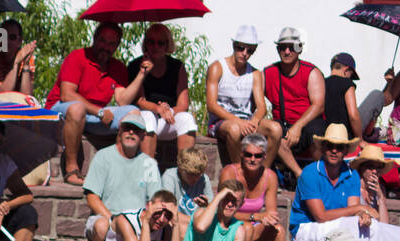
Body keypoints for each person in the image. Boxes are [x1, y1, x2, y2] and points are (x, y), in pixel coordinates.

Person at [47, 22, 146, 186]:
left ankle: (124, 170)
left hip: (92, 116)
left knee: (133, 113)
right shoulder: (78, 56)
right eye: (102, 41)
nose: (106, 47)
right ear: (94, 39)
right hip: (61, 111)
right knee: (77, 108)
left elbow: (122, 101)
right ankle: (72, 170)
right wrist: (99, 112)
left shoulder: (118, 67)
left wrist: (142, 74)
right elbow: (67, 95)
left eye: (111, 43)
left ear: (117, 46)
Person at [82, 112, 160, 241]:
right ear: (120, 132)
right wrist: (113, 219)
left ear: (143, 135)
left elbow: (156, 200)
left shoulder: (149, 164)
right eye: (127, 128)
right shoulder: (103, 157)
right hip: (108, 217)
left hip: (138, 221)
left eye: (136, 130)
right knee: (101, 226)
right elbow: (92, 197)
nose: (131, 132)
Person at [205, 25, 281, 168]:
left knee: (275, 129)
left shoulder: (255, 73)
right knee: (234, 129)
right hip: (221, 122)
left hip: (246, 121)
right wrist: (238, 122)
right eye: (241, 48)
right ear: (234, 45)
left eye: (250, 50)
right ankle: (239, 172)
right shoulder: (217, 67)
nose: (245, 53)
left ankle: (262, 172)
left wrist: (254, 121)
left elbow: (261, 107)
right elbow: (211, 105)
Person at [222, 132, 287, 241]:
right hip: (228, 227)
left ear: (264, 157)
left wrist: (268, 219)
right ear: (241, 154)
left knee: (279, 231)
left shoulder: (269, 176)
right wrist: (255, 217)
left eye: (257, 156)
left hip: (251, 230)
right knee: (246, 228)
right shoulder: (230, 172)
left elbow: (271, 213)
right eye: (248, 155)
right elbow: (224, 212)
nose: (252, 159)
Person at [263, 27, 325, 181]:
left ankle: (321, 176)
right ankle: (300, 175)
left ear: (299, 49)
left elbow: (318, 105)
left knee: (316, 134)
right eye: (282, 48)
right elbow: (254, 101)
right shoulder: (268, 72)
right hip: (282, 125)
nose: (287, 51)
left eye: (291, 47)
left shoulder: (311, 72)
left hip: (308, 124)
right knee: (273, 132)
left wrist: (298, 126)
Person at [128, 23, 197, 156]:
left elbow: (183, 105)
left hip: (169, 119)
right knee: (147, 116)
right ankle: (149, 171)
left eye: (161, 43)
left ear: (167, 45)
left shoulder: (177, 67)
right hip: (145, 121)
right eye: (151, 42)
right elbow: (140, 101)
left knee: (187, 119)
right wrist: (158, 109)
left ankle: (186, 170)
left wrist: (168, 111)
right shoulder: (135, 65)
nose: (155, 46)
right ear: (145, 43)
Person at [0, 19, 35, 96]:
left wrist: (26, 64)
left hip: (12, 105)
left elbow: (27, 97)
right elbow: (3, 92)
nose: (6, 41)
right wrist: (16, 63)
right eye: (3, 37)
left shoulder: (24, 56)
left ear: (20, 41)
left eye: (12, 37)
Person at [159, 146, 212, 219]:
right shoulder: (170, 176)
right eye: (191, 175)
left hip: (198, 222)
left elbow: (213, 209)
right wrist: (192, 222)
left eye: (198, 174)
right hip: (178, 223)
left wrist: (206, 206)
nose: (196, 179)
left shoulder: (204, 179)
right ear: (180, 169)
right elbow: (168, 208)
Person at [322, 53, 363, 142]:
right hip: (345, 134)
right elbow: (353, 116)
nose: (350, 78)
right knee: (377, 95)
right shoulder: (347, 83)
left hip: (327, 133)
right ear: (346, 70)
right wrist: (360, 140)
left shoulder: (321, 83)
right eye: (351, 75)